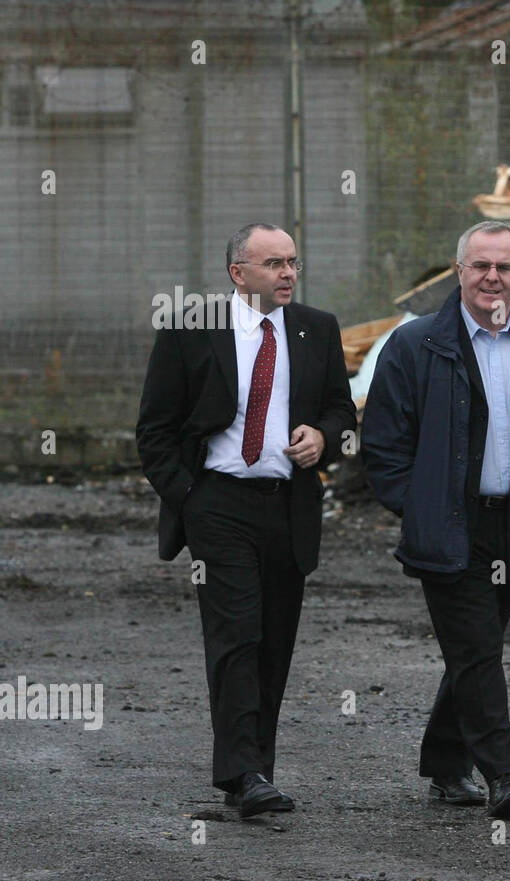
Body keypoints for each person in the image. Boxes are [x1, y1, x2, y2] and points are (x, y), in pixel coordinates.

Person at [361, 220, 510, 819]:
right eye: (481, 265)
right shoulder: (414, 346)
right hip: (449, 523)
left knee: (474, 650)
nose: (492, 277)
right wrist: (419, 506)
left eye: (504, 267)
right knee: (479, 650)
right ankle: (505, 773)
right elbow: (381, 441)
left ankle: (443, 762)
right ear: (459, 271)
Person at [136, 223, 355, 817]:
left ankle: (257, 771)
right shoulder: (192, 328)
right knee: (237, 637)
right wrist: (190, 498)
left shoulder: (318, 328)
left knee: (275, 641)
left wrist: (325, 437)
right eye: (274, 263)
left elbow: (341, 407)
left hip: (287, 505)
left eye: (293, 262)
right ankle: (242, 773)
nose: (288, 273)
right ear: (239, 273)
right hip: (219, 503)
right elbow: (154, 429)